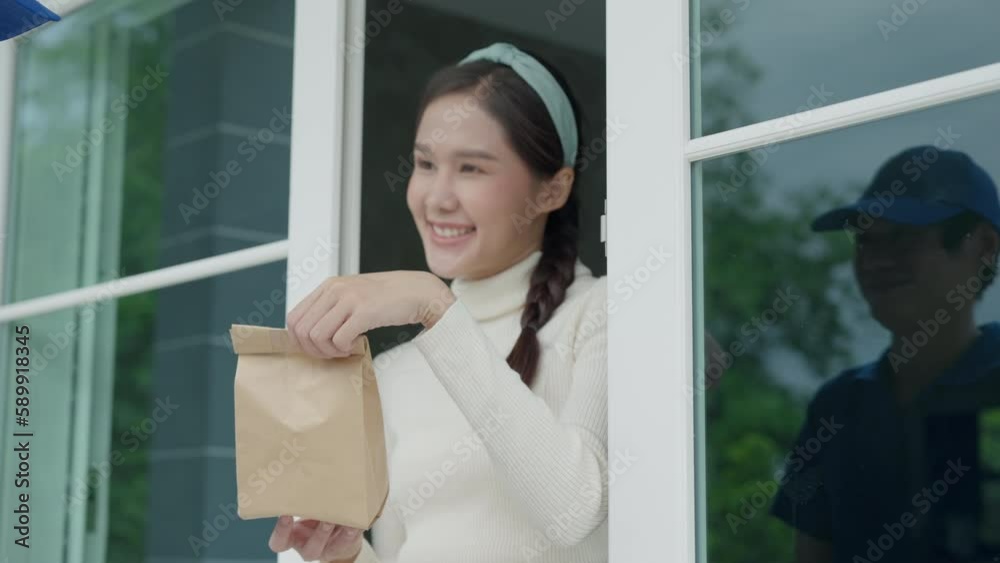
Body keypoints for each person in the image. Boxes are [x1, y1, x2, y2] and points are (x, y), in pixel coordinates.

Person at [267, 42, 609, 563]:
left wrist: (433, 303)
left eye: (471, 169)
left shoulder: (602, 314)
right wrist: (344, 556)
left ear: (553, 189)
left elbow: (574, 510)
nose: (437, 197)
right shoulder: (397, 370)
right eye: (426, 164)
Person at [770, 146, 1000, 563]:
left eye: (904, 238)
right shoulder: (837, 407)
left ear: (983, 248)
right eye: (865, 241)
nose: (875, 261)